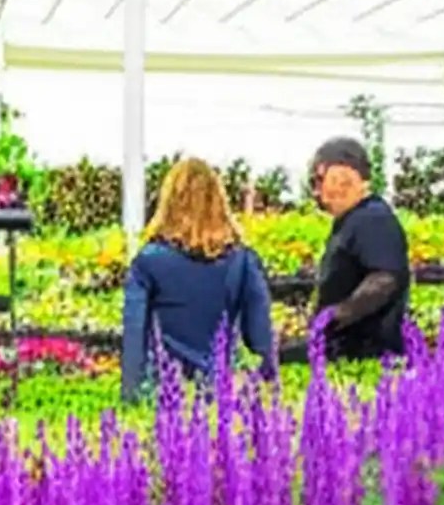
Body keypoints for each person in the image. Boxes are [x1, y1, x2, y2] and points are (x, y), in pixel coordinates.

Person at [121, 158, 274, 400]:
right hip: (222, 391)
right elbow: (261, 338)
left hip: (166, 393)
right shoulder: (243, 260)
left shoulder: (148, 261)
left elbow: (134, 338)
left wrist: (130, 399)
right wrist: (269, 393)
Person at [309, 136, 410, 360]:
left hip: (365, 352)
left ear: (346, 176)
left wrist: (335, 318)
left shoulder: (373, 219)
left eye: (320, 180)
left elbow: (385, 280)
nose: (316, 192)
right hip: (342, 349)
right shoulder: (354, 219)